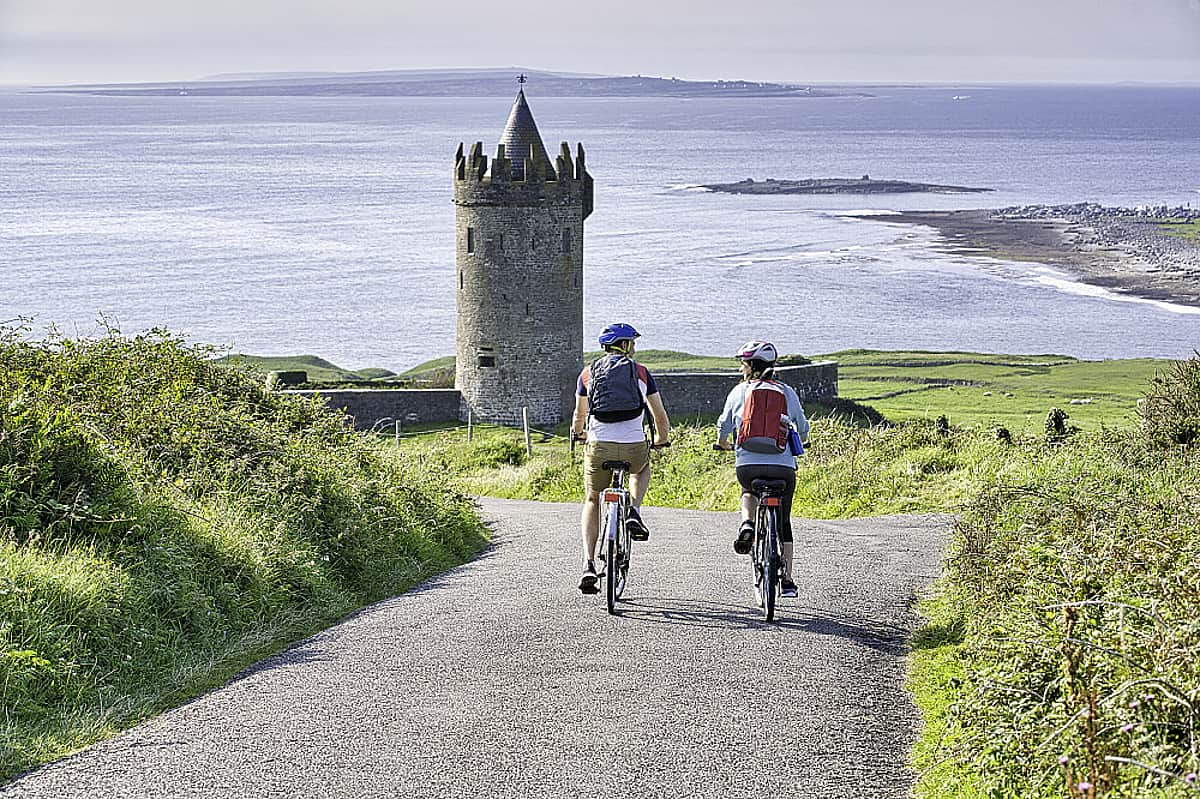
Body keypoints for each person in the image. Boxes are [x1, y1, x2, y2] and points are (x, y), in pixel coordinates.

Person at [571, 323, 670, 594]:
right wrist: (662, 440)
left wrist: (579, 434)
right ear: (624, 345)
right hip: (633, 447)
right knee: (642, 468)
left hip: (599, 447)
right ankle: (634, 511)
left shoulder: (587, 374)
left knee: (593, 498)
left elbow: (580, 416)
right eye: (632, 343)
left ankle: (589, 564)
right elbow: (659, 416)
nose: (634, 347)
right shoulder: (641, 372)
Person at [715, 340, 809, 599]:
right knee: (784, 523)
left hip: (748, 465)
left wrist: (723, 443)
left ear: (749, 366)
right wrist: (804, 438)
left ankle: (748, 522)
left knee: (748, 490)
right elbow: (802, 424)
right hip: (783, 467)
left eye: (742, 364)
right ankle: (788, 580)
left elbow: (724, 424)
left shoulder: (739, 391)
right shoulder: (787, 391)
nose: (741, 369)